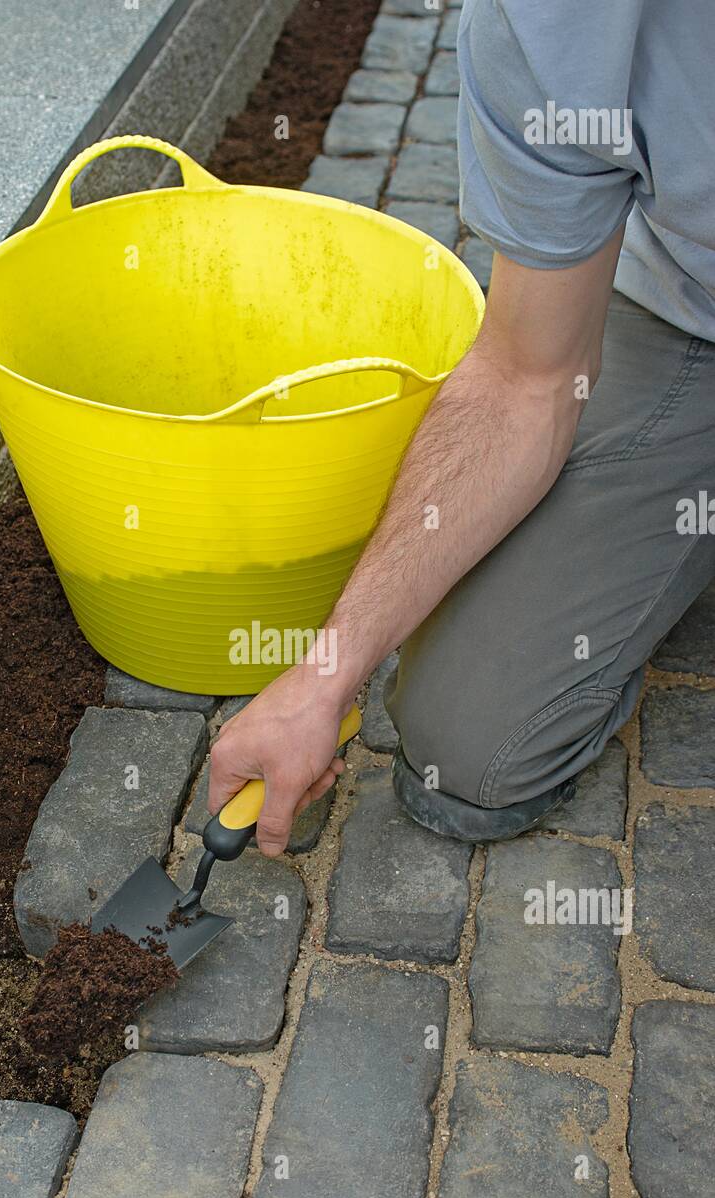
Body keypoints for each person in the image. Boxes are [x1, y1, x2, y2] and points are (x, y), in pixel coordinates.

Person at [210, 0, 715, 855]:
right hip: (693, 317)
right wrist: (321, 679)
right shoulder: (552, 27)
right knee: (469, 744)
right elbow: (527, 376)